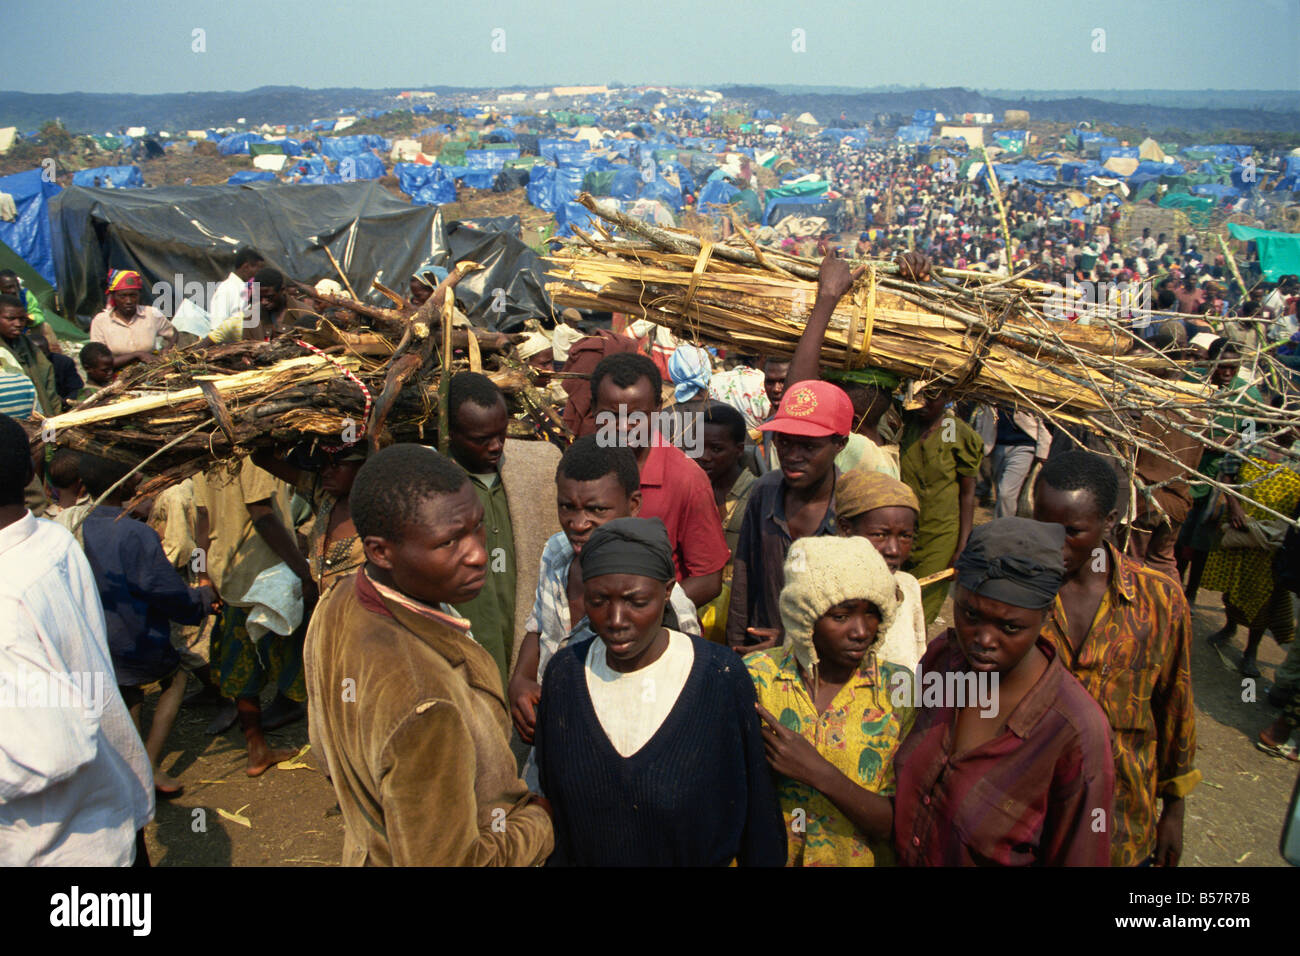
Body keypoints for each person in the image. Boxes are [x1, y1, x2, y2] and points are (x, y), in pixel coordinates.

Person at [305, 443, 554, 865]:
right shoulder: (426, 704)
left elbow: (323, 749)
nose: (478, 554)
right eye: (449, 542)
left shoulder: (337, 601)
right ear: (380, 551)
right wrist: (539, 824)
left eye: (477, 527)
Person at [533, 517, 786, 866]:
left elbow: (759, 821)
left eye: (636, 602)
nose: (616, 618)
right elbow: (555, 812)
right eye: (599, 600)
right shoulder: (564, 676)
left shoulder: (720, 678)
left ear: (667, 591)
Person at [889, 517, 1116, 866]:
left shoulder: (1074, 733)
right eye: (970, 614)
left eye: (1010, 627)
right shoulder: (943, 662)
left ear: (1046, 616)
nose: (983, 640)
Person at [0, 414, 154, 865]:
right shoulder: (52, 540)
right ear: (31, 474)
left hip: (59, 846)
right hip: (114, 804)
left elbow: (51, 752)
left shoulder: (6, 600)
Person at [1034, 451, 1200, 866]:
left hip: (1121, 823)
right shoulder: (1016, 594)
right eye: (1043, 526)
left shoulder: (1159, 602)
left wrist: (1174, 812)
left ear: (1110, 522)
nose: (1054, 543)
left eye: (1072, 531)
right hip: (1029, 818)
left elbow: (1175, 708)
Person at [507, 437, 701, 788]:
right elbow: (539, 627)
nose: (578, 523)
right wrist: (521, 680)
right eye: (567, 507)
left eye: (597, 510)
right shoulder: (556, 552)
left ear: (633, 504)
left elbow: (683, 697)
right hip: (549, 758)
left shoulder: (667, 603)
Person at [746, 535, 912, 866]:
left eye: (872, 614)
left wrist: (817, 771)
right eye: (841, 616)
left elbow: (895, 823)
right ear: (804, 616)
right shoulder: (757, 678)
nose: (861, 630)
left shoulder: (898, 691)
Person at [75, 454, 220, 798]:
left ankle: (127, 762)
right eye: (134, 477)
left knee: (128, 692)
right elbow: (164, 590)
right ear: (125, 485)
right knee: (176, 676)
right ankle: (149, 764)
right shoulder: (135, 533)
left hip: (99, 637)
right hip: (137, 635)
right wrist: (200, 601)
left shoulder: (77, 526)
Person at [446, 372, 561, 689]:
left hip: (529, 664)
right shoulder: (429, 483)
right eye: (481, 439)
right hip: (461, 662)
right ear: (450, 432)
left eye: (502, 433)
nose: (496, 446)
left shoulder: (540, 466)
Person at [192, 456, 309, 772]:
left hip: (228, 573)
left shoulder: (210, 456)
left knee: (241, 659)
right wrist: (302, 567)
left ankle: (259, 736)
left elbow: (202, 519)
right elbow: (262, 515)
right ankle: (264, 739)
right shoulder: (252, 456)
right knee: (286, 646)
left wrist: (202, 574)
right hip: (264, 577)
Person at [589, 352, 728, 607]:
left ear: (657, 410)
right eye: (612, 416)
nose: (624, 427)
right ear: (593, 410)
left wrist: (647, 612)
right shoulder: (582, 469)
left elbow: (708, 580)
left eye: (637, 416)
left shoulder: (686, 479)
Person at [726, 379, 851, 652]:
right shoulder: (765, 491)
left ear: (840, 444)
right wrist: (734, 650)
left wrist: (790, 640)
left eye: (808, 447)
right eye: (784, 443)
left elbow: (859, 609)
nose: (792, 456)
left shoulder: (852, 507)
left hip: (827, 659)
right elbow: (744, 574)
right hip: (759, 653)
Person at [1201, 424, 1300, 678]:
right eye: (1286, 423)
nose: (1291, 431)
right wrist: (1234, 508)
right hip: (1240, 529)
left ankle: (1250, 651)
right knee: (1232, 586)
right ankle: (1229, 625)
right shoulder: (1251, 442)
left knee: (1264, 597)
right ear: (1275, 419)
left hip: (1273, 540)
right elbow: (1226, 476)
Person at [899, 388, 983, 624]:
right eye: (917, 394)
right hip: (903, 529)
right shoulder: (906, 424)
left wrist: (962, 546)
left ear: (947, 397)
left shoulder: (953, 432)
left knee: (922, 608)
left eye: (931, 395)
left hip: (940, 533)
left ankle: (918, 660)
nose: (922, 402)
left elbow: (967, 494)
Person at [835, 468, 928, 671]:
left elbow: (919, 657)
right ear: (845, 529)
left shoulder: (908, 586)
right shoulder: (823, 594)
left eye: (905, 536)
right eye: (880, 535)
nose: (893, 550)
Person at [697, 401, 757, 642]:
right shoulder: (693, 489)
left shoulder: (756, 495)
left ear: (739, 449)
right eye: (699, 446)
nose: (704, 456)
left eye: (716, 449)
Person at [89, 270, 175, 368]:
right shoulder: (101, 321)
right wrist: (137, 355)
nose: (128, 301)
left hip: (149, 370)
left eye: (133, 296)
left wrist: (168, 348)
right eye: (123, 296)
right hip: (116, 374)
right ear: (113, 296)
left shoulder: (151, 314)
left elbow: (173, 334)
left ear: (139, 295)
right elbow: (100, 362)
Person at [0, 293, 61, 416]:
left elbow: (47, 382)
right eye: (10, 319)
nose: (18, 324)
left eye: (22, 319)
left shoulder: (27, 345)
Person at [987, 405, 1051, 519]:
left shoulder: (1028, 390)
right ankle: (1008, 523)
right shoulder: (993, 391)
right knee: (1001, 493)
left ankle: (1003, 530)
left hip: (1024, 446)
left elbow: (1042, 419)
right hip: (997, 445)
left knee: (1005, 493)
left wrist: (1042, 451)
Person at [207, 247, 265, 328]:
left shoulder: (243, 289)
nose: (259, 274)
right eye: (258, 270)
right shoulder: (227, 289)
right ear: (246, 267)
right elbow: (218, 326)